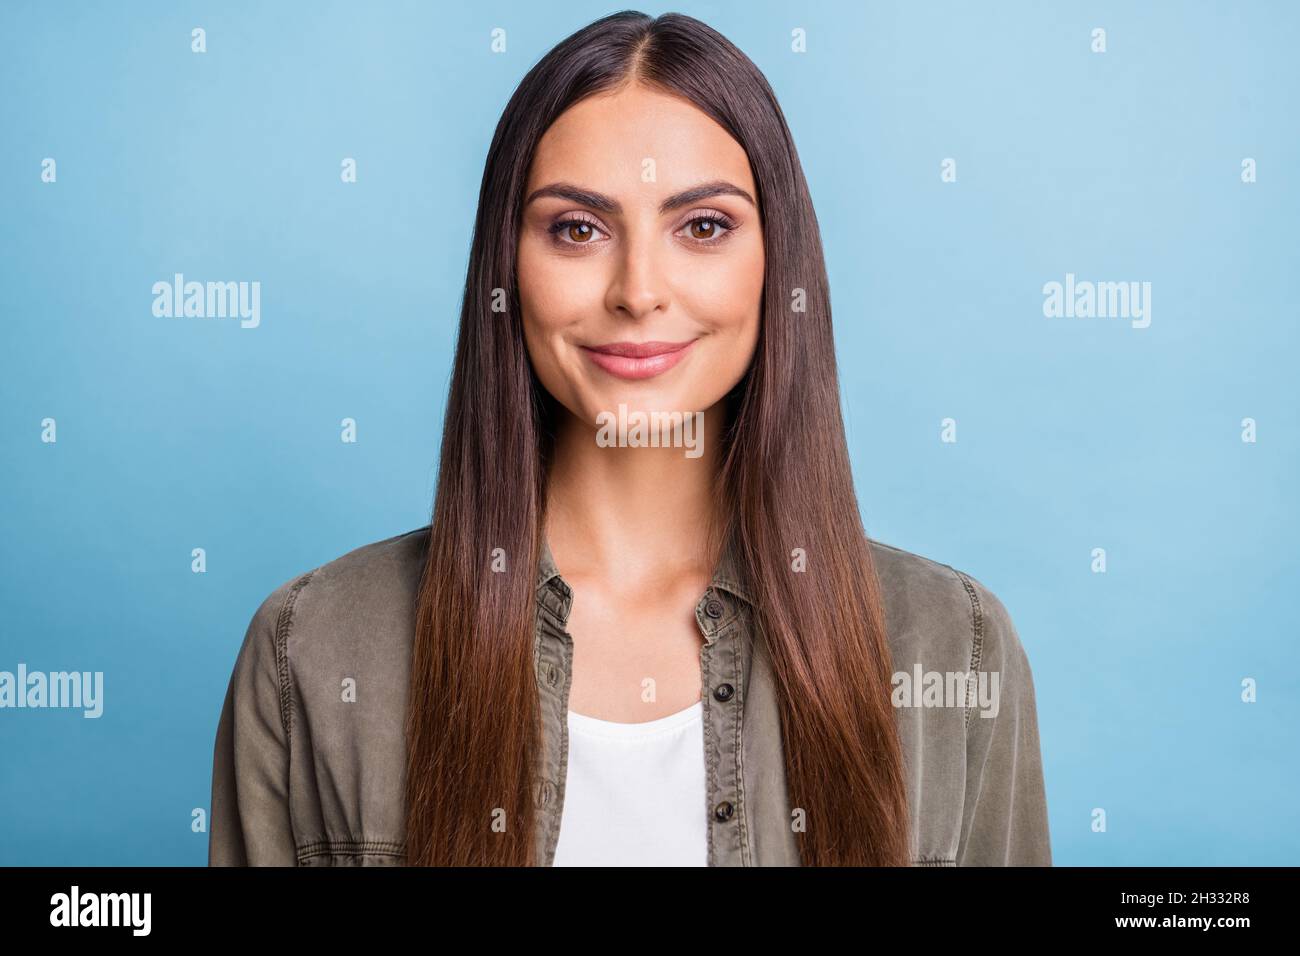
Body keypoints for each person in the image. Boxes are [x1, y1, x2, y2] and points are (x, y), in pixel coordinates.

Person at [209, 10, 1051, 867]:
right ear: (507, 266)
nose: (638, 291)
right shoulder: (310, 649)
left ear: (778, 261)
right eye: (578, 228)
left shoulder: (955, 645)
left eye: (703, 226)